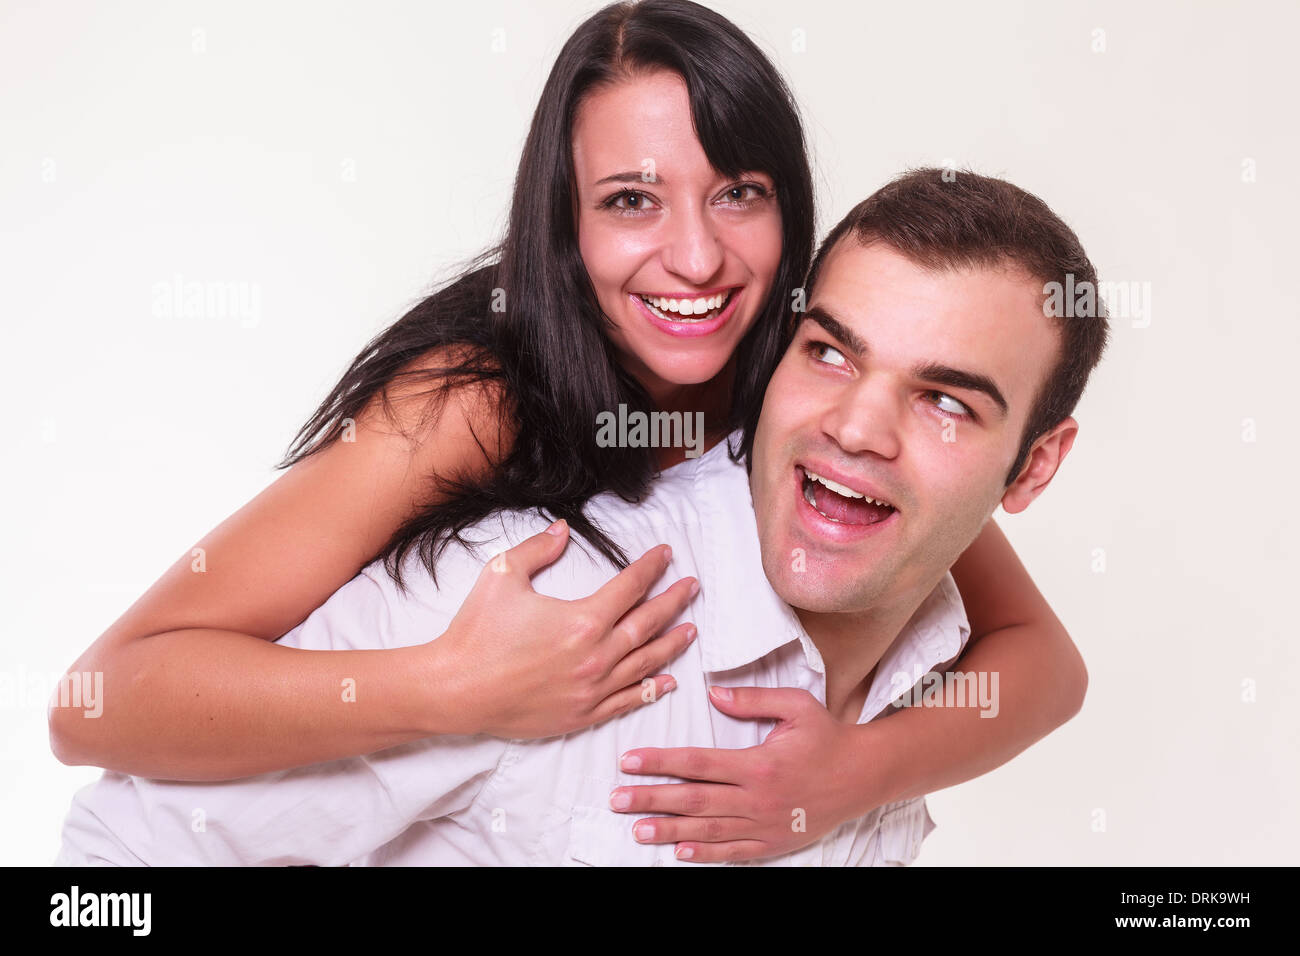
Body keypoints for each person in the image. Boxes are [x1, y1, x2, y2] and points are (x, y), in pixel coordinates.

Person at [49, 0, 1087, 862]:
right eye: (631, 199)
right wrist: (451, 688)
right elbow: (100, 703)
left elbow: (1040, 658)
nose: (695, 258)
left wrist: (847, 774)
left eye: (739, 193)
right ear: (567, 226)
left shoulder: (821, 394)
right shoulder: (477, 403)